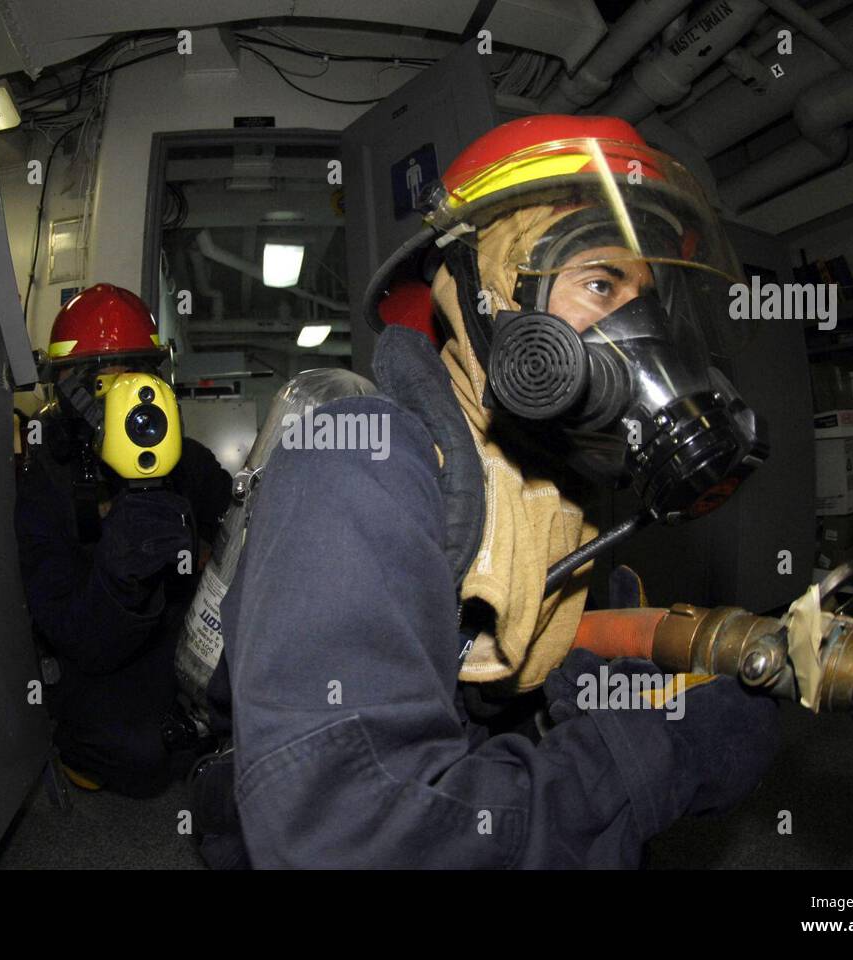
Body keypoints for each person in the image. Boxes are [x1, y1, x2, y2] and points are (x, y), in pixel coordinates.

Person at [200, 115, 780, 867]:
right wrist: (661, 755)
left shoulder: (555, 484)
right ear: (486, 297)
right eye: (600, 283)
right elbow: (349, 833)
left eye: (649, 301)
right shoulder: (352, 466)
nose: (638, 331)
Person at [16, 284, 230, 797]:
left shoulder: (191, 463)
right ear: (65, 393)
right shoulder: (46, 485)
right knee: (141, 754)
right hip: (102, 653)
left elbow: (235, 527)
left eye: (134, 376)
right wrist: (119, 577)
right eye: (97, 385)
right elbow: (70, 632)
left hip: (177, 639)